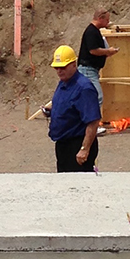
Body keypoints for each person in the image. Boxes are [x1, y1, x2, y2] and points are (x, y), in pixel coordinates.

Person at [46, 43, 102, 172]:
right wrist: (52, 112)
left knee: (79, 186)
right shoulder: (64, 82)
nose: (59, 71)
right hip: (63, 144)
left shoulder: (84, 88)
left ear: (73, 64)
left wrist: (84, 149)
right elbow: (68, 106)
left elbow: (93, 121)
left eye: (63, 67)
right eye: (57, 68)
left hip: (77, 145)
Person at [77, 8, 117, 102]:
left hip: (91, 70)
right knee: (96, 97)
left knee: (91, 98)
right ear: (100, 18)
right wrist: (108, 51)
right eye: (106, 20)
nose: (108, 22)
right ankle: (90, 117)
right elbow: (93, 50)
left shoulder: (94, 31)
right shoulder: (91, 32)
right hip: (88, 70)